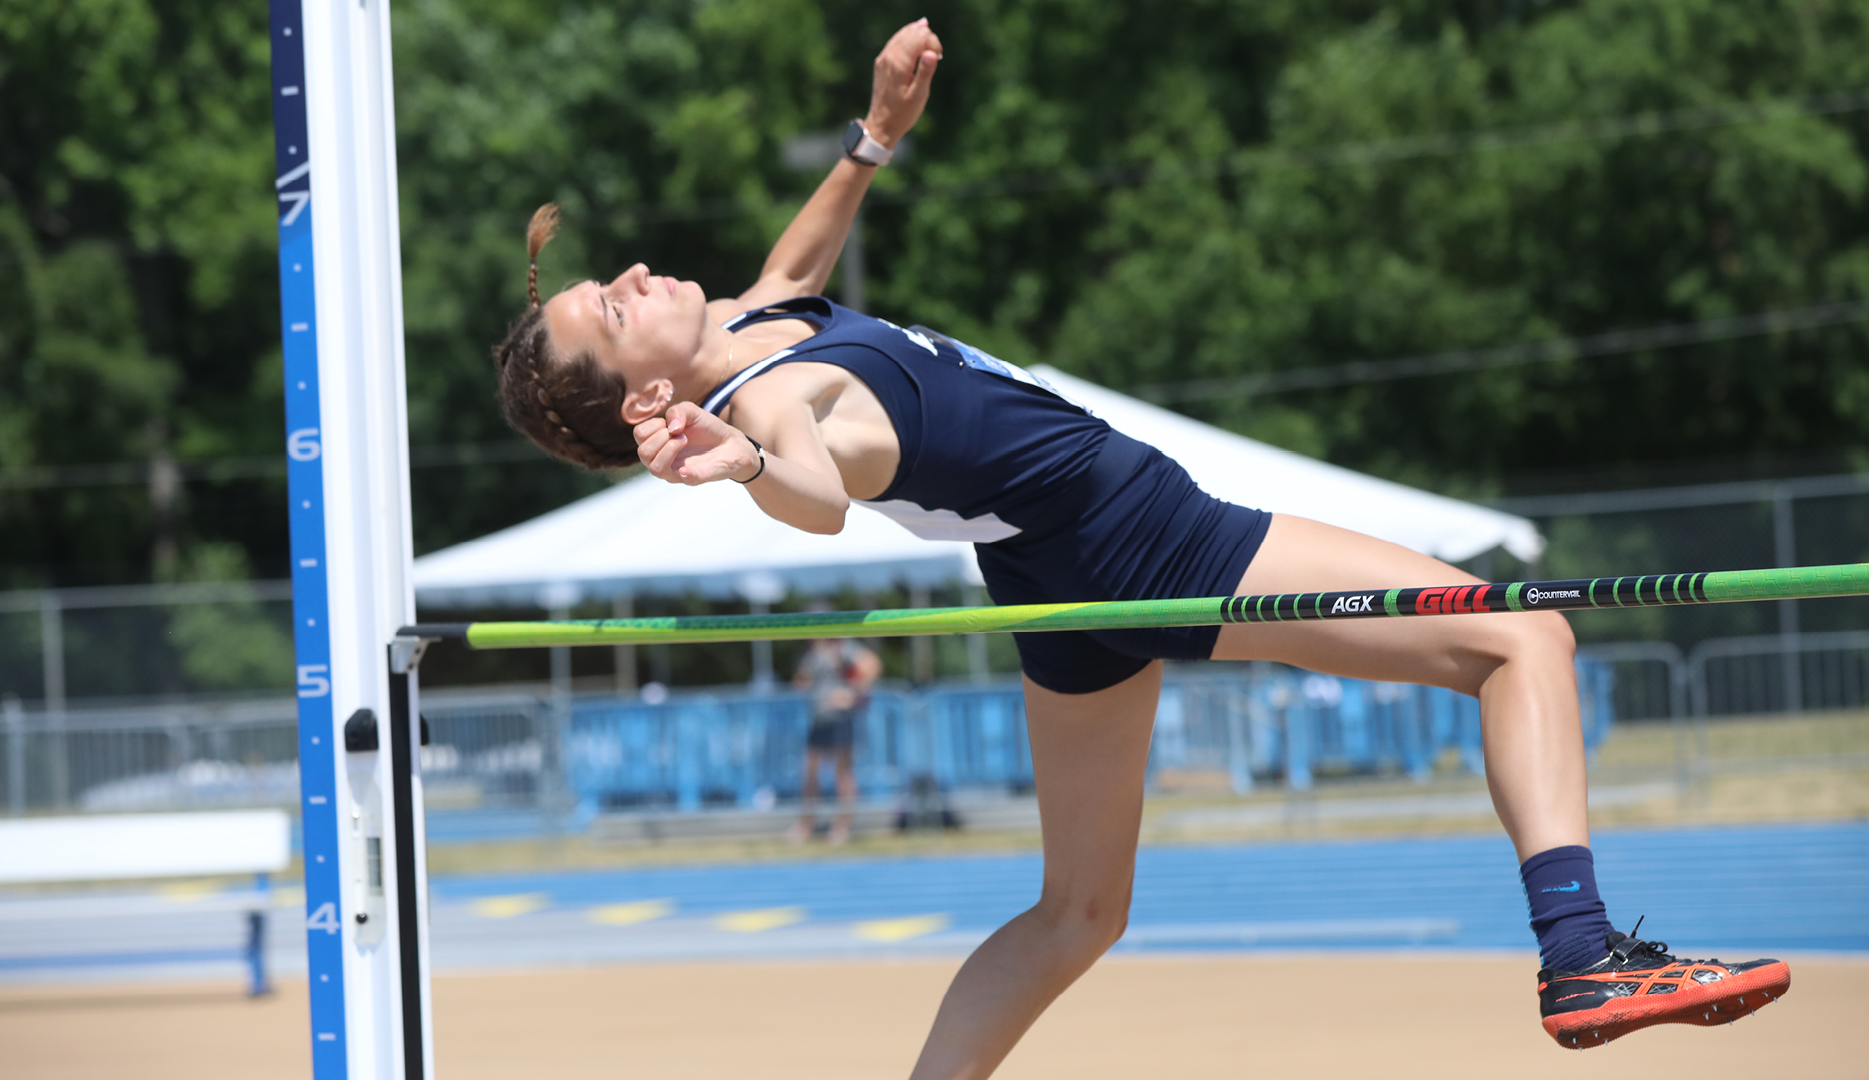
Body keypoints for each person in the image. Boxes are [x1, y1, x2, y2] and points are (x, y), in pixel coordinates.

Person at [490, 18, 1789, 1070]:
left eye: (611, 278)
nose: (637, 275)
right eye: (617, 307)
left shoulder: (755, 326)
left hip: (1054, 585)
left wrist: (872, 140)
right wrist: (744, 466)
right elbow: (816, 496)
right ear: (648, 394)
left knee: (1080, 913)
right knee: (1521, 636)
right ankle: (1580, 955)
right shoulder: (775, 406)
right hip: (1144, 542)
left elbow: (796, 267)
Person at [790, 631, 881, 846]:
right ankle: (806, 824)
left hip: (840, 717)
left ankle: (842, 826)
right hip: (819, 717)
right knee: (810, 772)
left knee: (843, 773)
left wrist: (852, 694)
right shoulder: (812, 652)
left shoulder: (843, 646)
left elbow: (872, 665)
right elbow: (802, 681)